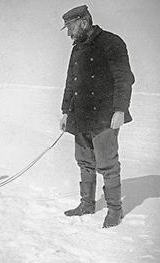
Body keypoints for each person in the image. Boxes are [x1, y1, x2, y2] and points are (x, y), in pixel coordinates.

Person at [59, 5, 135, 228]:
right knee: (84, 162)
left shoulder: (112, 42)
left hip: (105, 116)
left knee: (108, 164)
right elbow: (70, 82)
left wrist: (120, 110)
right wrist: (65, 111)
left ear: (83, 22)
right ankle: (87, 204)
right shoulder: (77, 48)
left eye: (70, 27)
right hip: (80, 115)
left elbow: (125, 78)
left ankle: (114, 210)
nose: (68, 33)